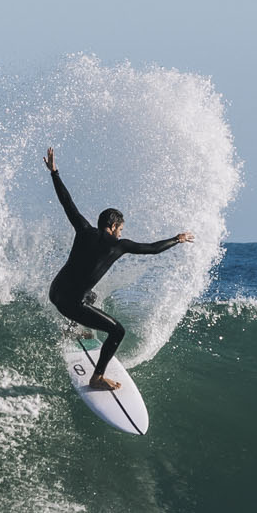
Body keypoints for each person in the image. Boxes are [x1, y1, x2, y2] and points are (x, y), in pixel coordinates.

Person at [44, 147, 193, 390]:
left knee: (90, 296)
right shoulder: (118, 246)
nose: (121, 234)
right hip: (70, 304)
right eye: (121, 229)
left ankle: (71, 330)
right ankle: (97, 377)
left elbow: (66, 202)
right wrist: (177, 239)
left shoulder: (83, 229)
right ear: (113, 226)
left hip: (55, 293)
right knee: (117, 332)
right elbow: (153, 249)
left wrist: (54, 172)